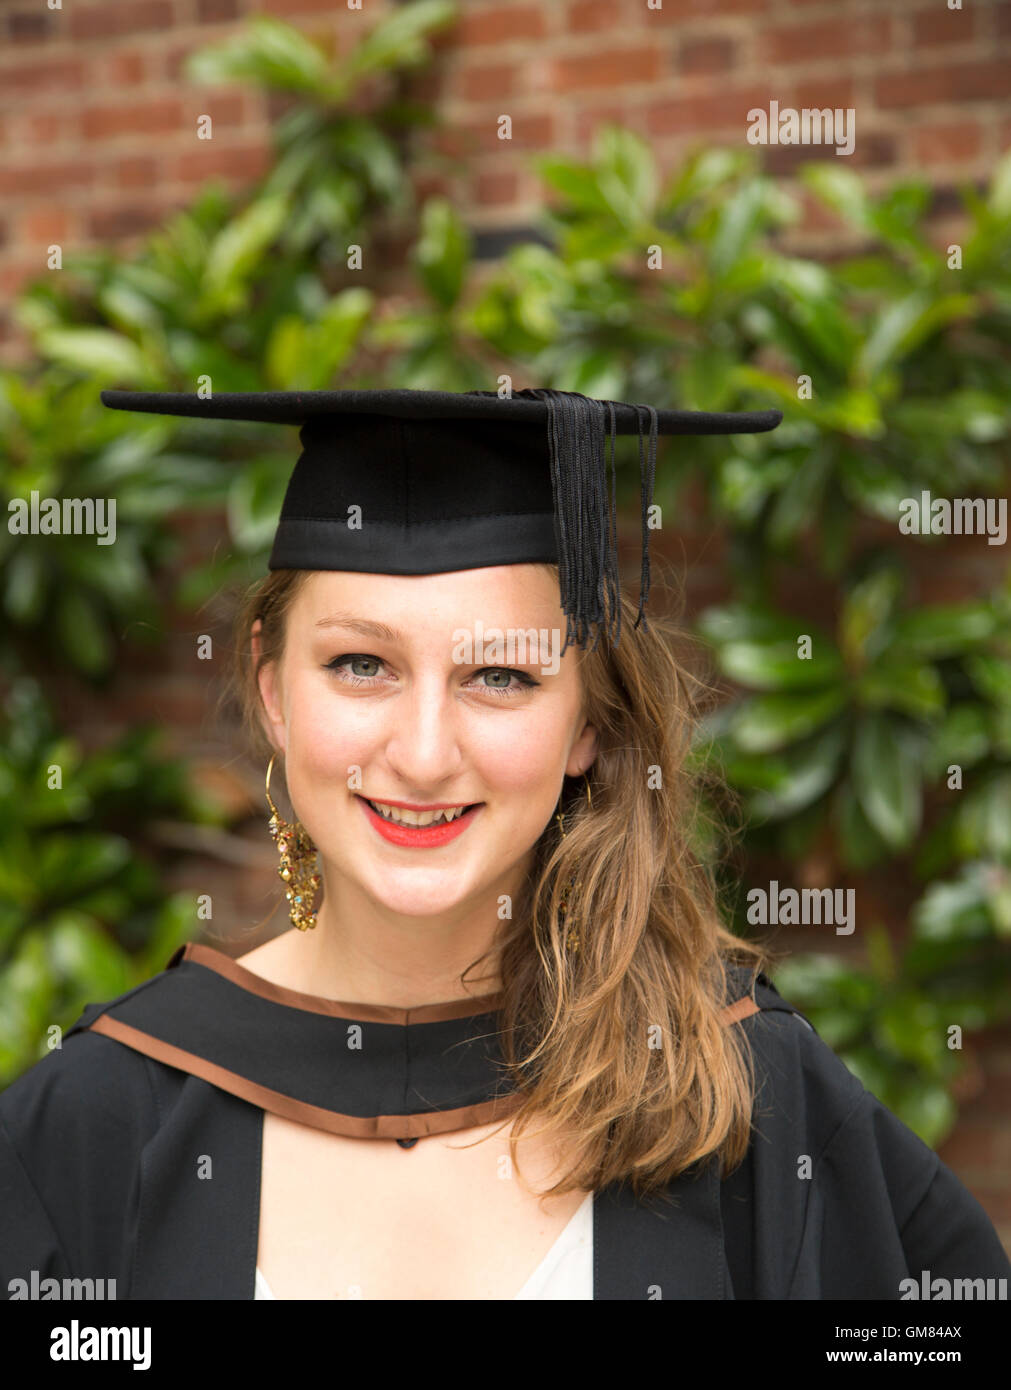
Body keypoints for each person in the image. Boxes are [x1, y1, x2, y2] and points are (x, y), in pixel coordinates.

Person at [1, 386, 1007, 1301]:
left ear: (588, 723)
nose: (426, 752)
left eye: (501, 676)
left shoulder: (739, 1094)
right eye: (361, 663)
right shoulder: (95, 1127)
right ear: (271, 688)